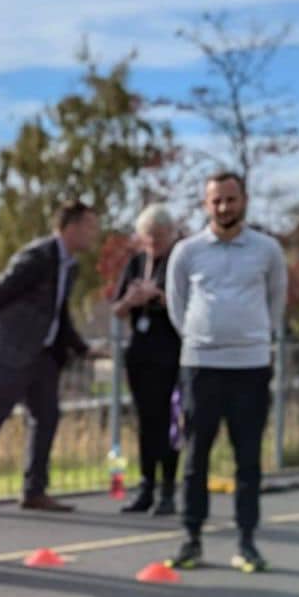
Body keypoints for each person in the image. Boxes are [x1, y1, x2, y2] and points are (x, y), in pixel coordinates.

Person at [164, 170, 287, 573]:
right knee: (196, 458)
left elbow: (276, 302)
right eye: (216, 200)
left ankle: (247, 542)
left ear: (244, 200)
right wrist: (201, 337)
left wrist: (254, 337)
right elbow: (177, 305)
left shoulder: (268, 250)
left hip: (250, 367)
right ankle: (191, 539)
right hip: (201, 366)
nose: (223, 207)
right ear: (206, 204)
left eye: (230, 199)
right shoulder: (187, 251)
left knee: (248, 459)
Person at [0, 201, 99, 512]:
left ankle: (34, 491)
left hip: (44, 355)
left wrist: (82, 348)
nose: (94, 234)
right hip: (11, 352)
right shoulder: (37, 257)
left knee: (47, 417)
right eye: (90, 227)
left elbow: (59, 313)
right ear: (71, 227)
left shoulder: (70, 265)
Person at [112, 204, 181, 515]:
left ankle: (168, 489)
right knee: (145, 421)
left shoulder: (178, 261)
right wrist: (132, 299)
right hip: (140, 351)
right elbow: (117, 308)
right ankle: (146, 486)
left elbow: (187, 303)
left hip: (170, 350)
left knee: (167, 421)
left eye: (159, 235)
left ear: (170, 233)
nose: (153, 241)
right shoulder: (136, 262)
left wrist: (158, 296)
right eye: (148, 236)